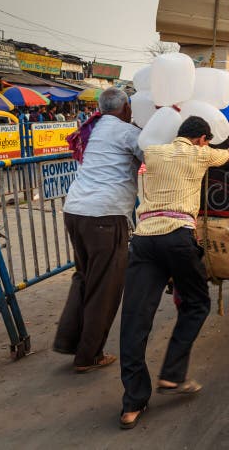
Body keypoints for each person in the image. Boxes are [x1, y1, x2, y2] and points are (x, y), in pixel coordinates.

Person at [118, 116, 229, 429]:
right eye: (207, 141)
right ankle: (172, 373)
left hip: (143, 241)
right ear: (201, 139)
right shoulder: (199, 154)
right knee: (197, 303)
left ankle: (132, 404)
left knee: (134, 320)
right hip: (177, 238)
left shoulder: (153, 153)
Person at [53, 88, 142, 373]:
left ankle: (69, 341)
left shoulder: (94, 129)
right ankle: (89, 354)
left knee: (84, 277)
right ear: (126, 108)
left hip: (76, 211)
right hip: (104, 215)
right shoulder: (127, 132)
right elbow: (153, 156)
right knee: (105, 286)